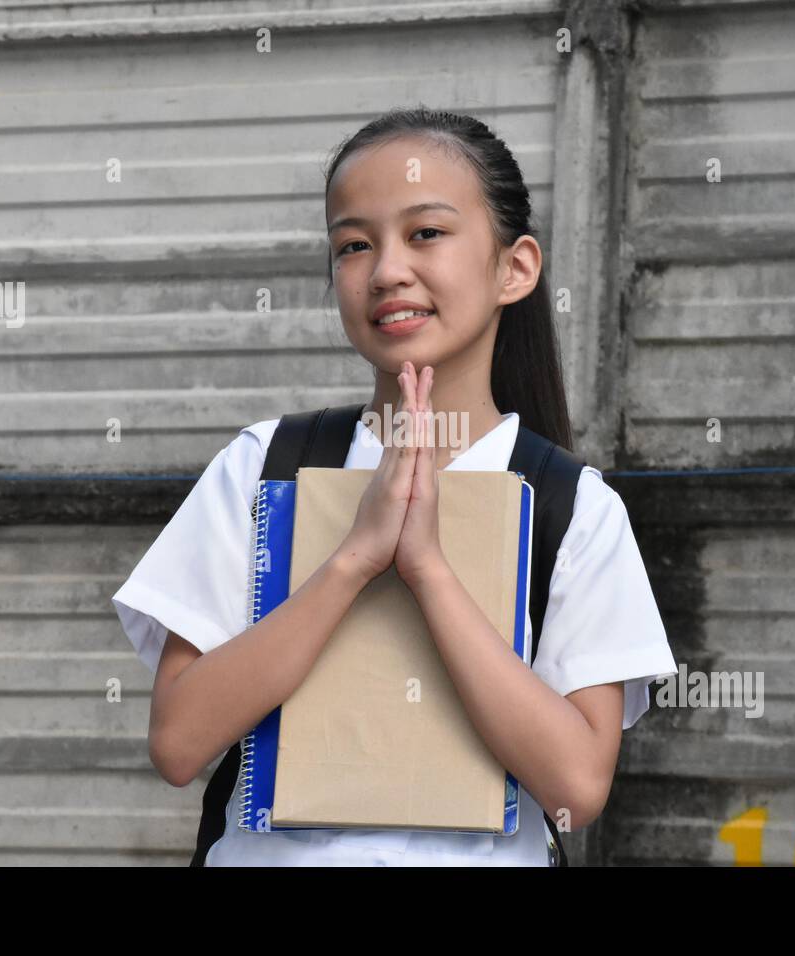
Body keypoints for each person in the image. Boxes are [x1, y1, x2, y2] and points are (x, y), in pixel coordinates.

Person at [112, 107, 677, 866]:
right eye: (353, 244)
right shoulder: (265, 468)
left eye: (426, 234)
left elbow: (576, 787)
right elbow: (179, 745)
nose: (386, 271)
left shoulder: (572, 507)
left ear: (515, 268)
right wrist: (352, 560)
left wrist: (429, 571)